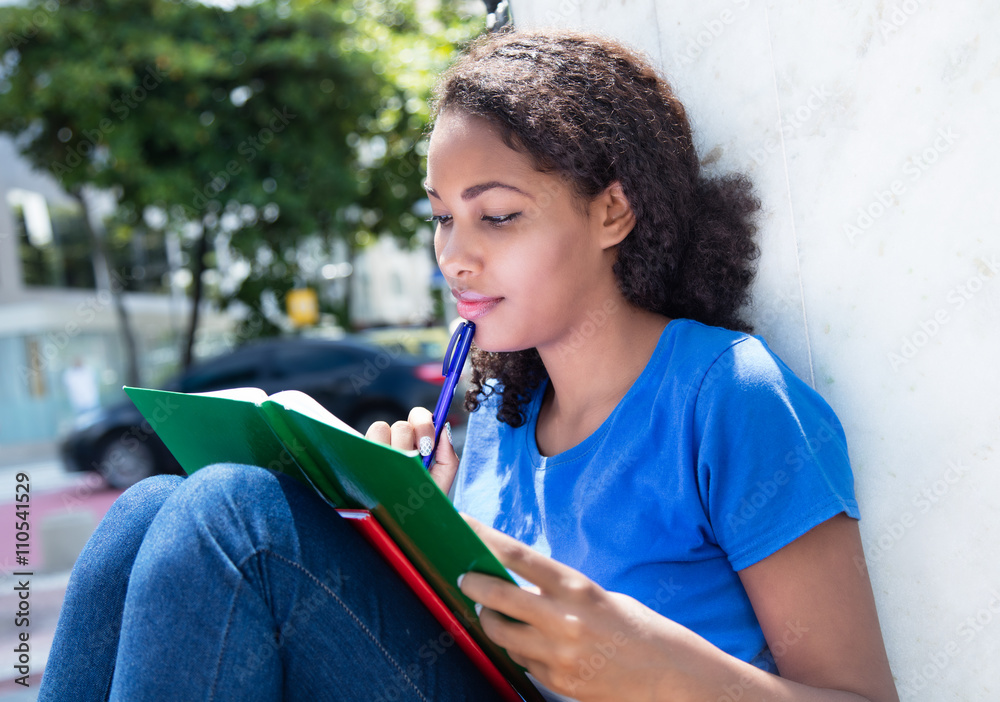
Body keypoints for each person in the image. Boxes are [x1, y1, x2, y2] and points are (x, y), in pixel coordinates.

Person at [39, 29, 899, 702]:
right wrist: (418, 516)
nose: (453, 256)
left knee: (238, 514)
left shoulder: (726, 393)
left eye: (497, 216)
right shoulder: (497, 420)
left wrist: (658, 669)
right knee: (146, 510)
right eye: (442, 217)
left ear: (613, 210)